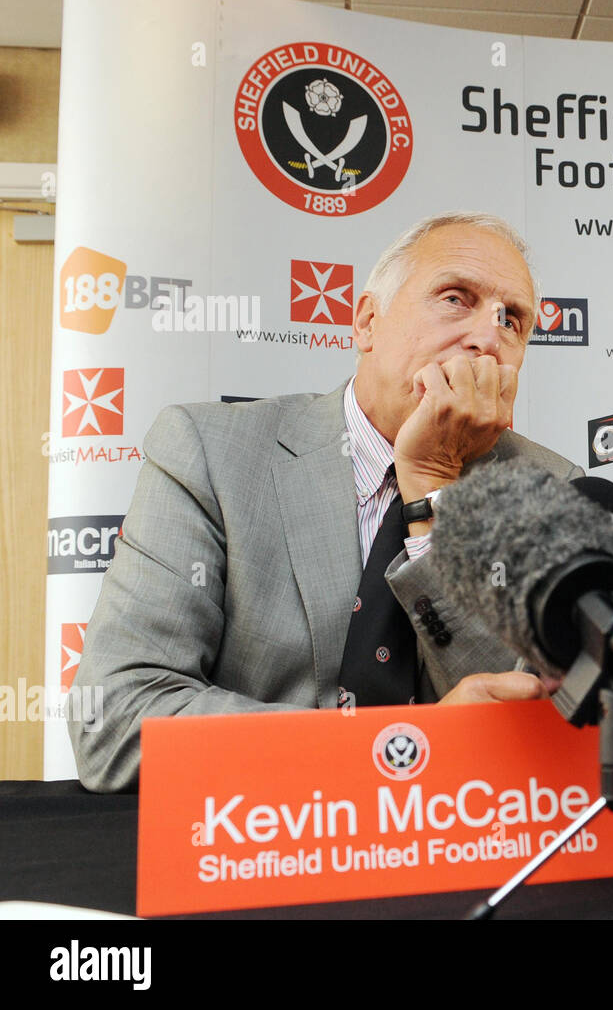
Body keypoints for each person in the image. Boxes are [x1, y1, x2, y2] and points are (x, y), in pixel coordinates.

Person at [70, 212, 580, 792]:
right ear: (366, 321)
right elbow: (115, 718)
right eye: (456, 298)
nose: (487, 339)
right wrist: (392, 752)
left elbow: (532, 735)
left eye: (511, 320)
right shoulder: (210, 452)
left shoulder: (552, 489)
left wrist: (435, 486)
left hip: (465, 849)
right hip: (262, 850)